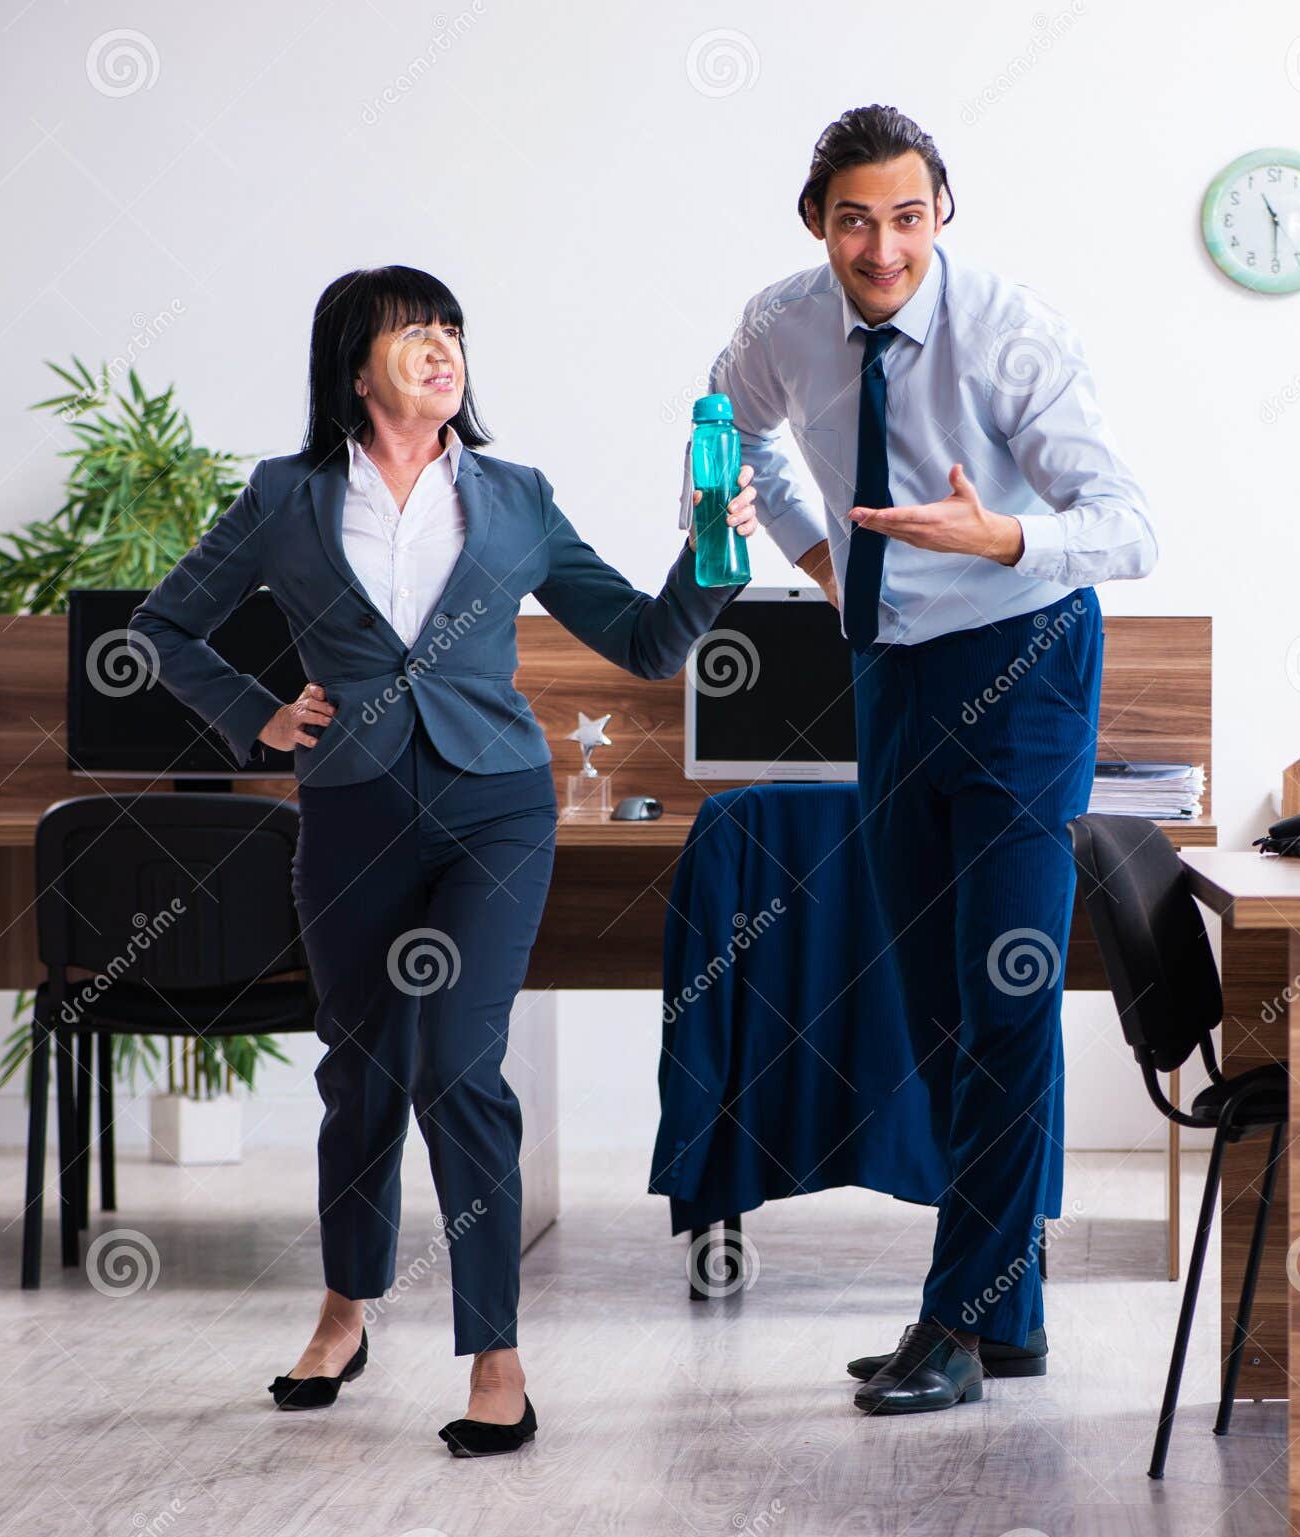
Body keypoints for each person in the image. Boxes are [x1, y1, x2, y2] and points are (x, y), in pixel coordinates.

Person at [130, 265, 756, 1455]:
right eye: (413, 332)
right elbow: (162, 625)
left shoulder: (516, 498)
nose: (441, 349)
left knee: (459, 1066)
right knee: (361, 1072)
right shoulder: (285, 497)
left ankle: (495, 1356)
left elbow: (642, 642)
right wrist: (260, 715)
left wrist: (711, 558)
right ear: (353, 365)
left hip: (494, 809)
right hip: (350, 810)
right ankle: (344, 1311)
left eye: (452, 330)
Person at [694, 105, 1157, 1415]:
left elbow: (1129, 527)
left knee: (1007, 989)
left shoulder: (1009, 330)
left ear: (941, 211)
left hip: (1025, 665)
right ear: (815, 223)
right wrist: (818, 555)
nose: (882, 248)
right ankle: (1008, 1316)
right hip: (888, 669)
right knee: (935, 1005)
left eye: (907, 217)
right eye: (854, 221)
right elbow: (725, 432)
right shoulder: (780, 324)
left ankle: (952, 1322)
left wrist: (996, 535)